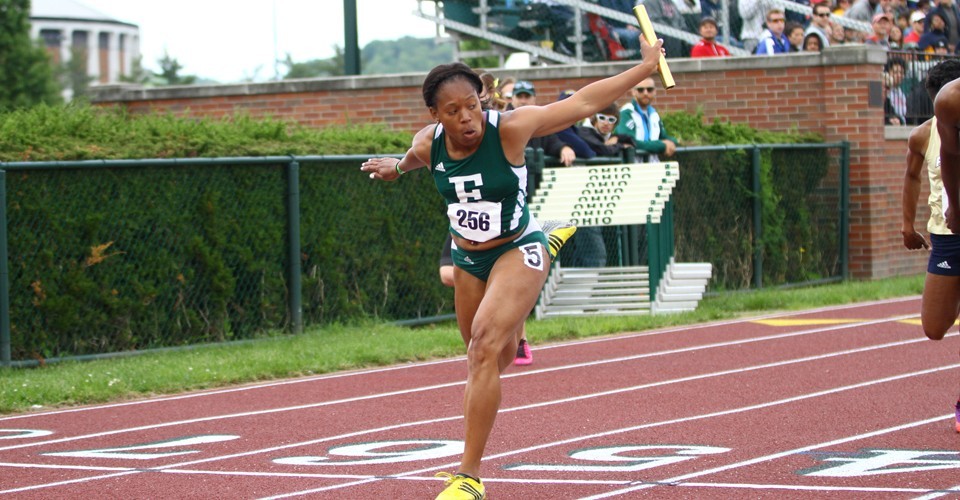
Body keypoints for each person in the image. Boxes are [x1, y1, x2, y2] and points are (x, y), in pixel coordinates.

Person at [361, 36, 665, 499]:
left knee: (484, 347)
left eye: (472, 106)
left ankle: (468, 478)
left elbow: (583, 102)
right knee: (492, 358)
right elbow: (414, 158)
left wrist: (645, 67)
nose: (467, 118)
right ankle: (520, 322)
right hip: (468, 257)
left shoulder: (510, 129)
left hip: (515, 248)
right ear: (435, 117)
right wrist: (396, 170)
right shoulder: (427, 144)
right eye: (453, 111)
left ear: (482, 100)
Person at [903, 59, 960, 433]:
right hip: (947, 235)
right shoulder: (925, 134)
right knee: (934, 327)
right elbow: (911, 175)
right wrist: (906, 224)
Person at [615, 78, 678, 161]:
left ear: (655, 91)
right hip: (632, 167)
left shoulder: (654, 114)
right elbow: (629, 141)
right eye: (640, 90)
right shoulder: (626, 113)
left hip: (653, 167)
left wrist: (673, 142)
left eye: (649, 89)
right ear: (633, 92)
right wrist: (662, 146)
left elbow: (663, 137)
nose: (645, 93)